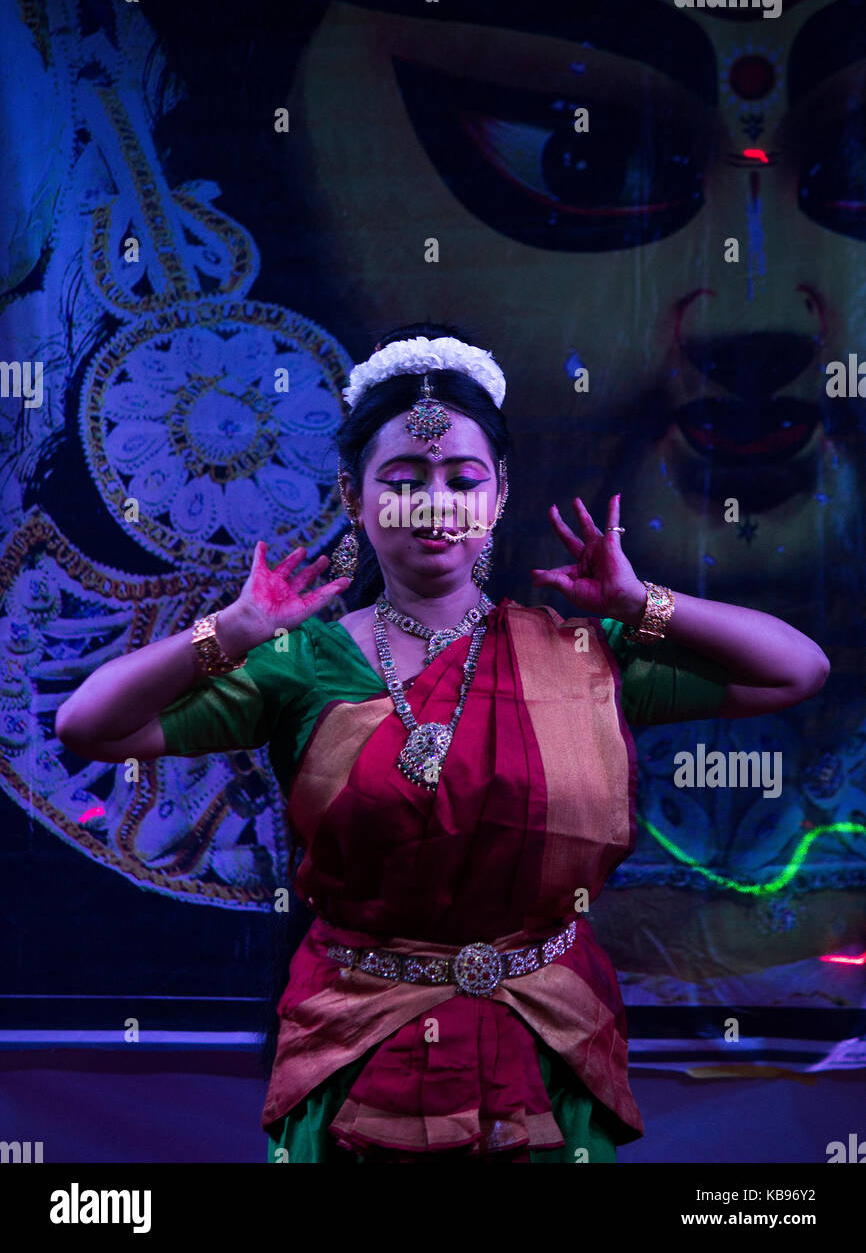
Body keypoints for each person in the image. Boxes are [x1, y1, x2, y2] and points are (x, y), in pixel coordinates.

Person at [55, 326, 830, 1162]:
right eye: (402, 479)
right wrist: (233, 628)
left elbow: (796, 669)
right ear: (354, 499)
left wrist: (642, 602)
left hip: (545, 1043)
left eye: (462, 479)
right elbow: (88, 725)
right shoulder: (302, 663)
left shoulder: (582, 655)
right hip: (360, 1045)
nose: (434, 501)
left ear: (497, 497)